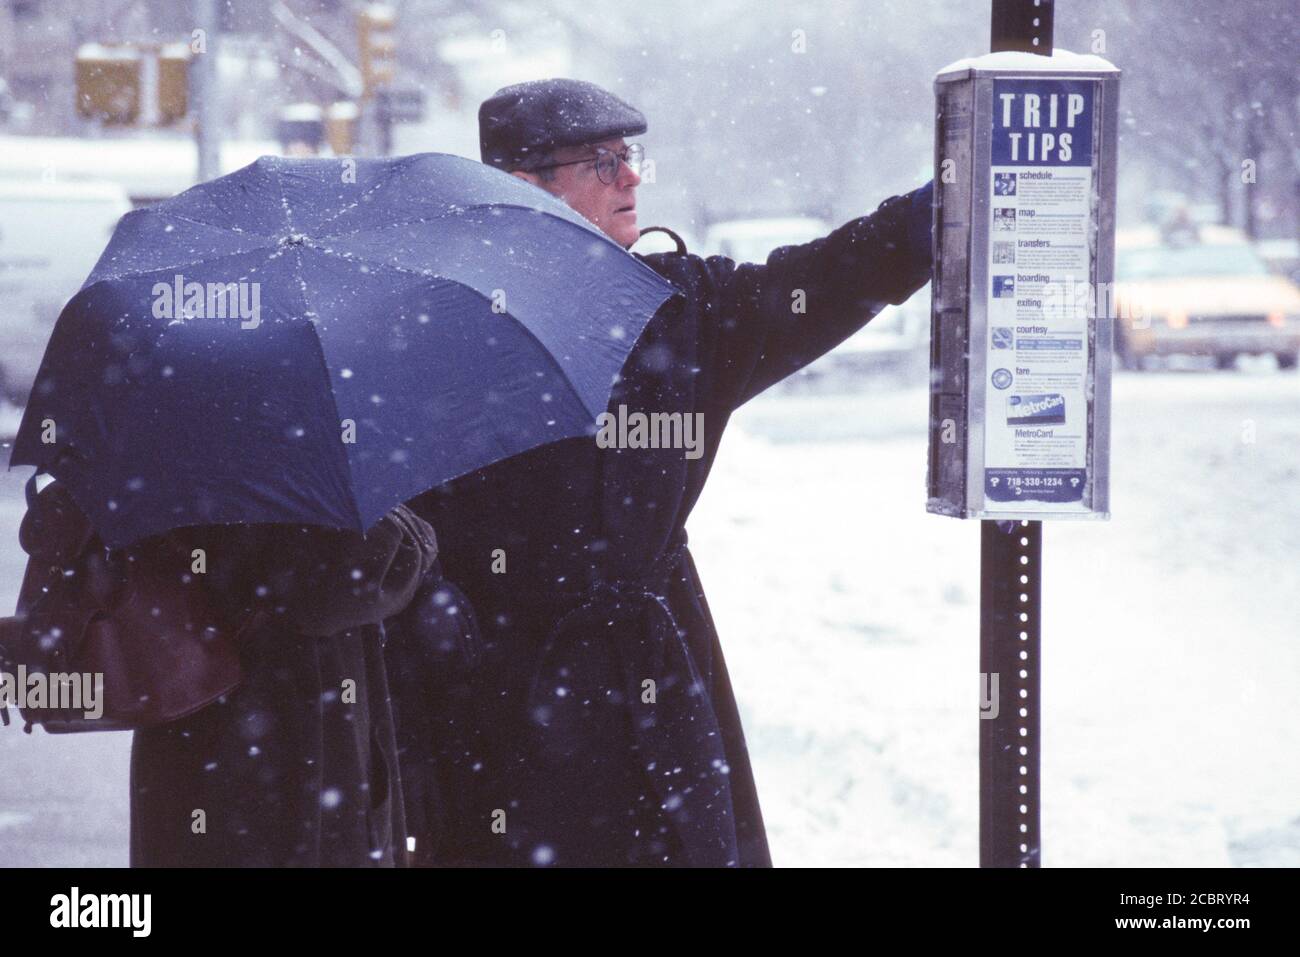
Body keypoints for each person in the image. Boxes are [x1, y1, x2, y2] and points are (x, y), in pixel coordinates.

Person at [397, 78, 934, 867]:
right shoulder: (437, 333)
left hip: (658, 683)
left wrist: (949, 196)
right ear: (524, 186)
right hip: (504, 702)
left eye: (630, 156)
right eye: (601, 162)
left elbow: (828, 279)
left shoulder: (676, 310)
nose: (631, 178)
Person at [129, 504, 442, 867]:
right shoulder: (289, 485)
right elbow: (346, 580)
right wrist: (412, 531)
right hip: (285, 732)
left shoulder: (175, 475)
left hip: (190, 721)